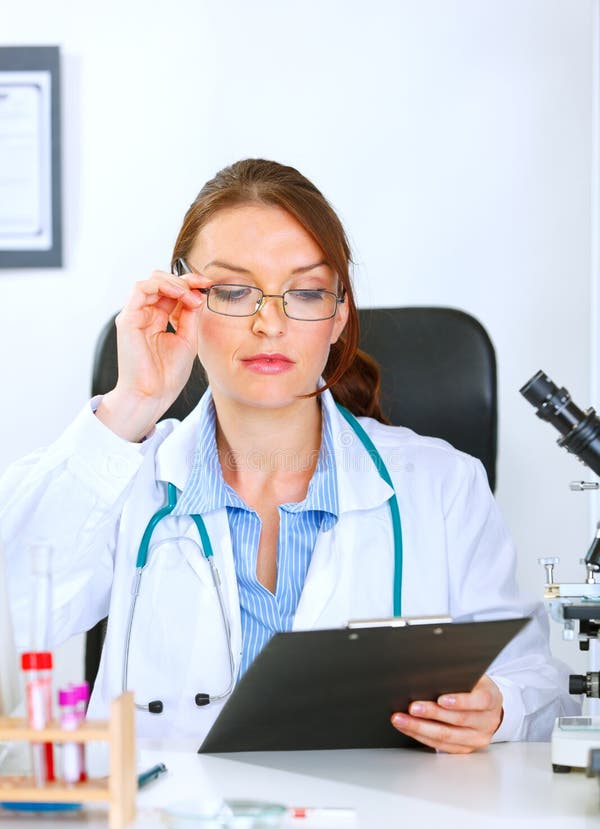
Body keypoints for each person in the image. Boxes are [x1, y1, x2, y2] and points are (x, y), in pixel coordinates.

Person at [0, 158, 578, 750]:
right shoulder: (122, 477)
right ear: (184, 306)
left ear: (337, 316)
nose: (269, 323)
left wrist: (497, 707)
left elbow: (536, 682)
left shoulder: (442, 485)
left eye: (304, 293)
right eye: (232, 291)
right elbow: (13, 619)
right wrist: (132, 404)